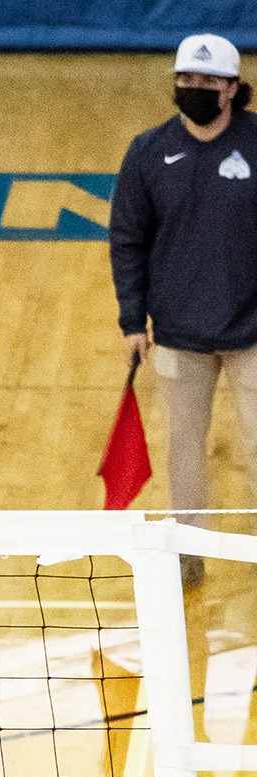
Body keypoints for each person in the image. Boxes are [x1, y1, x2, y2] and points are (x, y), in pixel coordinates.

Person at [111, 34, 257, 584]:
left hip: (252, 334)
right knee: (185, 455)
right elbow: (128, 238)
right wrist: (133, 319)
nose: (195, 89)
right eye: (186, 80)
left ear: (232, 89)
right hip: (177, 335)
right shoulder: (149, 152)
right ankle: (188, 560)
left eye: (207, 82)